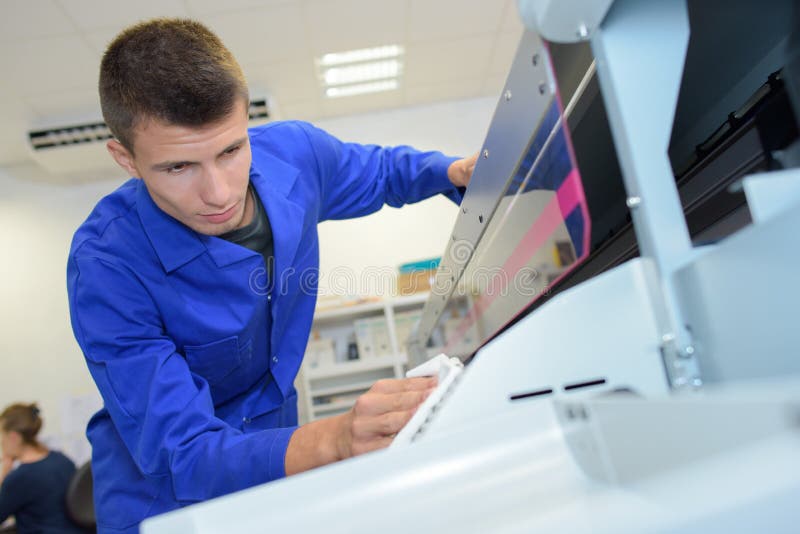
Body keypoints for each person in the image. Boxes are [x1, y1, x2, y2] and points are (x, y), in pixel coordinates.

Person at [66, 18, 476, 533]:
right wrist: (336, 439)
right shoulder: (106, 265)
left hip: (277, 461)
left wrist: (451, 171)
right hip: (162, 501)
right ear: (125, 158)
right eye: (179, 168)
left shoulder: (294, 155)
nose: (219, 192)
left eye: (231, 150)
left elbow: (380, 172)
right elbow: (184, 451)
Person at [0, 403, 84, 534]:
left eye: (2, 437)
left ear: (13, 437)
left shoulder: (20, 477)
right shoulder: (61, 459)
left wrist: (4, 473)